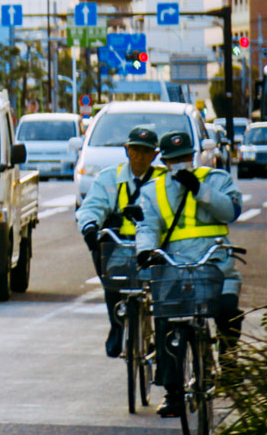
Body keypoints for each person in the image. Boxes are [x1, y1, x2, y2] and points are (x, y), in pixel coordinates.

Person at [134, 127, 244, 417]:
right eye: (173, 159)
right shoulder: (153, 190)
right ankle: (173, 393)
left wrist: (199, 190)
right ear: (164, 161)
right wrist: (145, 251)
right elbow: (146, 226)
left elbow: (232, 211)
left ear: (193, 156)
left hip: (215, 266)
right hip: (175, 271)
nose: (179, 163)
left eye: (184, 157)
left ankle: (229, 361)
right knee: (165, 323)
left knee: (229, 309)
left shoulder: (216, 180)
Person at [75, 125, 162, 358]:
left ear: (155, 154)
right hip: (121, 246)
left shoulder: (165, 180)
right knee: (111, 277)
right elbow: (91, 207)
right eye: (135, 150)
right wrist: (90, 227)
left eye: (146, 151)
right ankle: (116, 325)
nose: (140, 156)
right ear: (126, 151)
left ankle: (163, 340)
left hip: (154, 249)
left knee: (167, 290)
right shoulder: (109, 177)